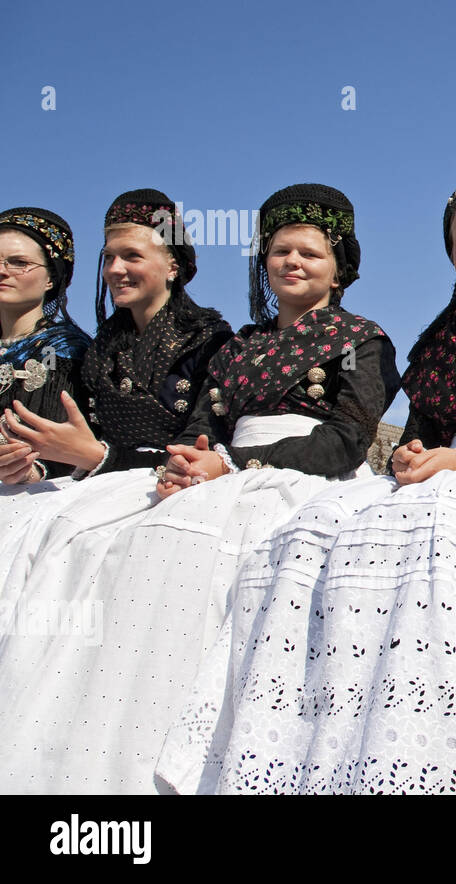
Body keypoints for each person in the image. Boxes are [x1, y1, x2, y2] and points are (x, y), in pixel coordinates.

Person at [155, 173, 456, 794]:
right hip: (436, 476)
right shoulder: (438, 340)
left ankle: (442, 743)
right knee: (319, 530)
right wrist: (414, 455)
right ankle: (316, 740)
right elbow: (417, 433)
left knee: (434, 543)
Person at [0, 183, 399, 793]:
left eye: (310, 254)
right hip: (222, 471)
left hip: (300, 474)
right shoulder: (242, 346)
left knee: (183, 546)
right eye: (279, 251)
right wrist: (194, 459)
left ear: (341, 267)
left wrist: (235, 464)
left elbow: (347, 438)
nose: (292, 263)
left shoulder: (362, 341)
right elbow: (201, 424)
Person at [0, 189, 231, 593]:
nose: (115, 269)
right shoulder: (104, 348)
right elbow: (75, 444)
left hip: (171, 495)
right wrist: (36, 465)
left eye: (132, 256)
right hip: (95, 486)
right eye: (108, 257)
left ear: (173, 265)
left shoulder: (208, 341)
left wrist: (95, 457)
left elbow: (201, 444)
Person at [0, 206, 91, 484]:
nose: (3, 272)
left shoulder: (68, 352)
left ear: (51, 278)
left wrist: (33, 470)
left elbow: (77, 448)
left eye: (19, 262)